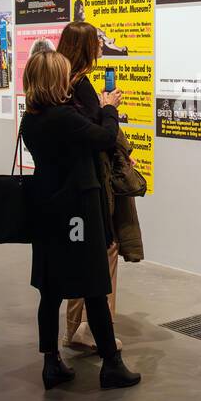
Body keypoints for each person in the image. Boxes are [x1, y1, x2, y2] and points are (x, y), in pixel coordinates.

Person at [19, 50, 140, 391]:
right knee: (95, 287)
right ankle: (111, 365)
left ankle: (51, 363)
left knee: (51, 290)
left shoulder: (32, 119)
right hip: (78, 211)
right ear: (56, 80)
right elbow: (103, 138)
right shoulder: (63, 119)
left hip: (46, 210)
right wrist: (109, 109)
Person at [55, 21, 127, 350]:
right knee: (105, 250)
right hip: (87, 184)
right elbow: (98, 136)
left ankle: (74, 330)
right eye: (96, 41)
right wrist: (109, 106)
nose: (101, 45)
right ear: (85, 47)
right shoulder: (80, 85)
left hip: (64, 185)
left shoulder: (59, 82)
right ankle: (102, 332)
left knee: (79, 250)